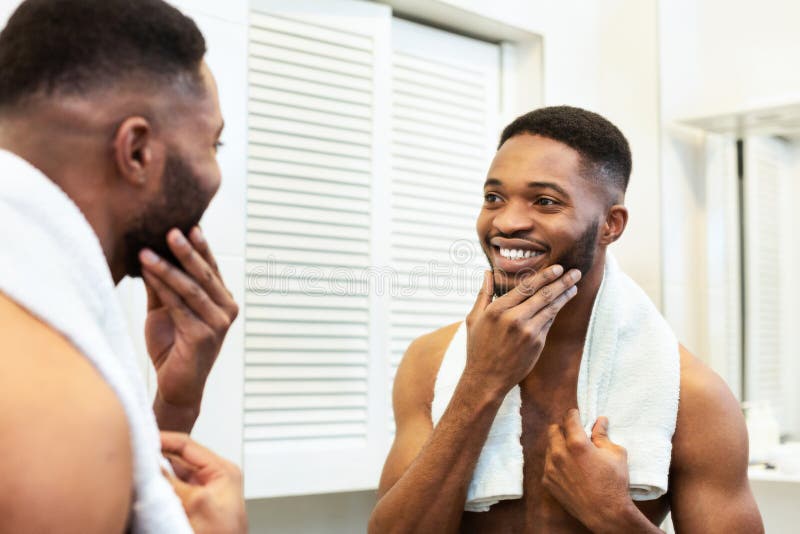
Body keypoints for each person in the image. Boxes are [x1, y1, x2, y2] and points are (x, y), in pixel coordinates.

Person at [369, 106, 764, 533]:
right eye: (494, 198)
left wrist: (614, 516)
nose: (506, 222)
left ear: (611, 224)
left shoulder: (693, 396)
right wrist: (480, 382)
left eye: (545, 201)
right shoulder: (428, 363)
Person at [0, 0, 245, 532]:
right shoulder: (59, 415)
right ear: (136, 152)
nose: (216, 174)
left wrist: (174, 406)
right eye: (213, 143)